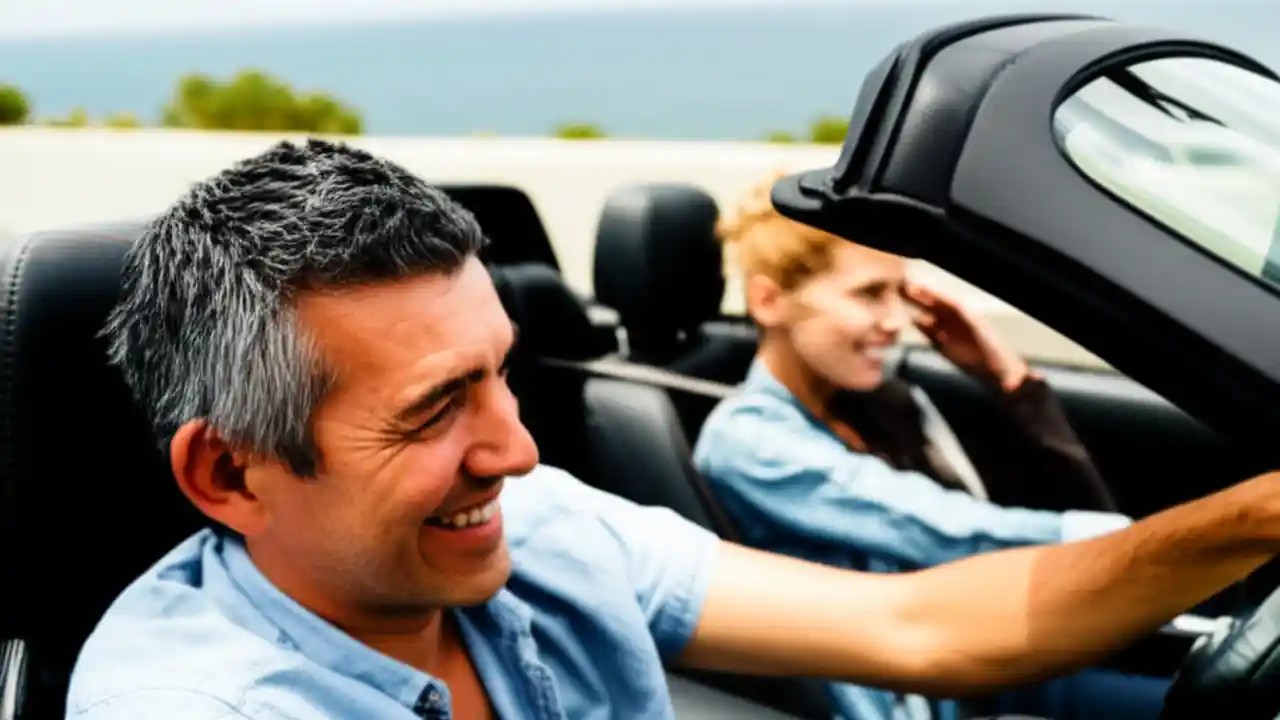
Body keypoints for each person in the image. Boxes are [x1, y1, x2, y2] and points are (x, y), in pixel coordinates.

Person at [65, 139, 1280, 720]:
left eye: (501, 377)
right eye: (436, 409)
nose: (517, 450)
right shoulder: (192, 704)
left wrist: (1260, 513)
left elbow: (922, 622)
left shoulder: (537, 530)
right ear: (229, 471)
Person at [691, 174, 1162, 717]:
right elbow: (942, 530)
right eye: (869, 294)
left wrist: (1005, 379)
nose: (896, 322)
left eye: (901, 293)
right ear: (769, 301)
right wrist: (1142, 548)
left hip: (964, 670)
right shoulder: (749, 441)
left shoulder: (879, 406)